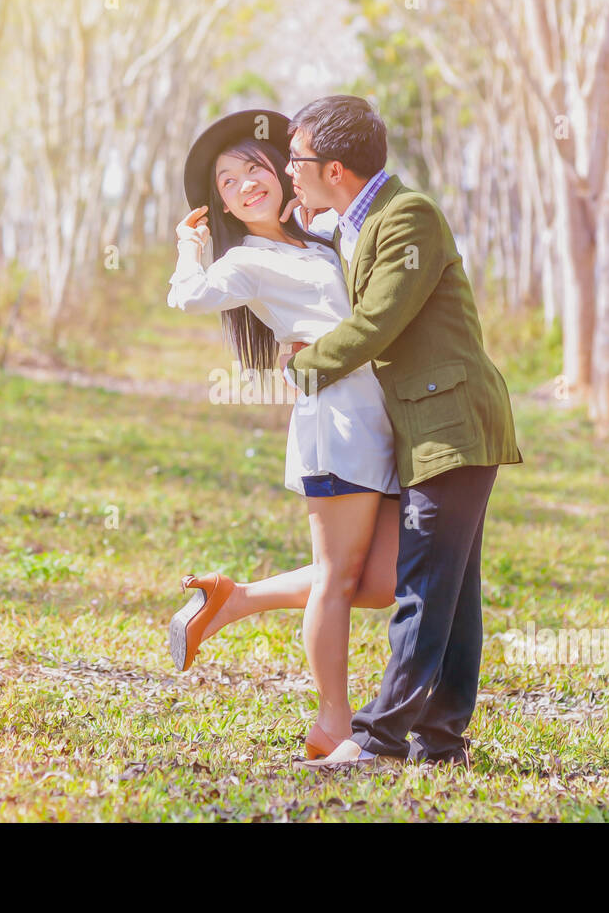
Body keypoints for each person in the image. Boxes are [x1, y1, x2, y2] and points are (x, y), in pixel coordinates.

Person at [280, 95, 524, 768]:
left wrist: (304, 367)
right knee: (453, 592)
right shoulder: (359, 223)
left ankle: (381, 737)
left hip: (452, 424)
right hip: (433, 427)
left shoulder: (407, 215)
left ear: (334, 168)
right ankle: (442, 742)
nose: (287, 171)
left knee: (422, 584)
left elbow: (378, 320)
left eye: (296, 159)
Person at [165, 108, 400, 760]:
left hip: (378, 426)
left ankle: (234, 599)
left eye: (252, 168)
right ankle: (334, 723)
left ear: (278, 172)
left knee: (379, 578)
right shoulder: (248, 262)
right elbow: (188, 298)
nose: (245, 184)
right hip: (335, 430)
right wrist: (189, 245)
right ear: (222, 204)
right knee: (336, 578)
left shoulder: (318, 236)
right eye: (228, 181)